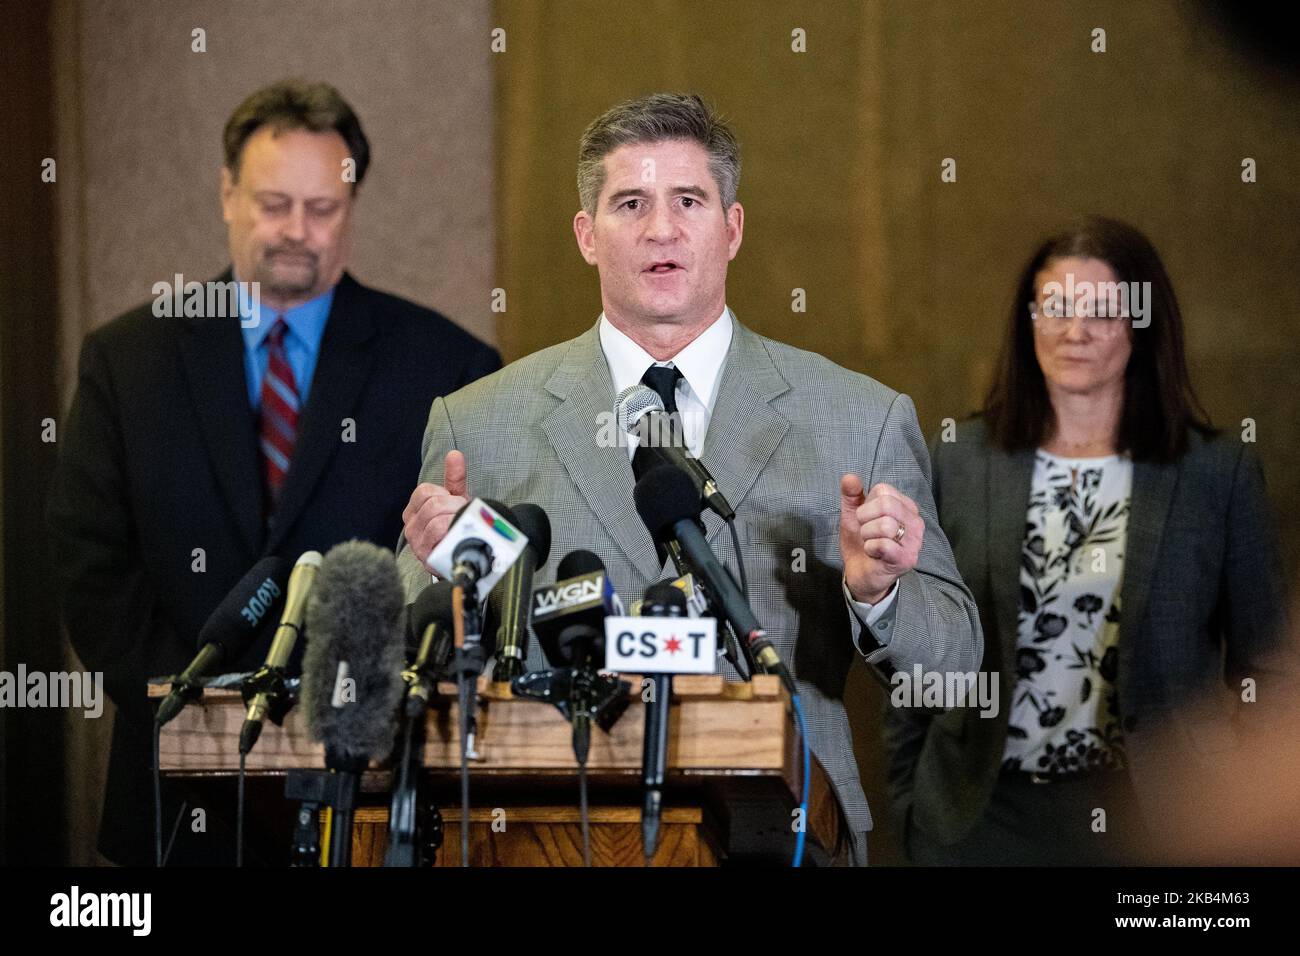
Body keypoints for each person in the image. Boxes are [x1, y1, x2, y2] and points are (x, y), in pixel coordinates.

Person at [395, 92, 981, 865]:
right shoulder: (479, 423)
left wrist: (881, 593)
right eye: (629, 202)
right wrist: (442, 585)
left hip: (784, 835)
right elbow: (398, 652)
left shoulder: (857, 418)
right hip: (545, 834)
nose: (660, 229)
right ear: (586, 236)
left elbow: (956, 668)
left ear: (732, 229)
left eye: (689, 201)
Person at [47, 79, 501, 865]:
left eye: (322, 208)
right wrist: (200, 709)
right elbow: (90, 565)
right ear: (227, 193)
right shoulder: (129, 360)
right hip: (173, 799)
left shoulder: (448, 365)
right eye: (273, 203)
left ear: (353, 205)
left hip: (372, 791)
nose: (297, 230)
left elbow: (478, 576)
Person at [886, 216, 1292, 865]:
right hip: (980, 821)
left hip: (1156, 822)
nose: (1075, 330)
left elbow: (1268, 669)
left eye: (1101, 310)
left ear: (1142, 323)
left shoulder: (1215, 472)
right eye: (1056, 308)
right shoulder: (961, 457)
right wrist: (909, 803)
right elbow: (922, 647)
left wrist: (1232, 805)